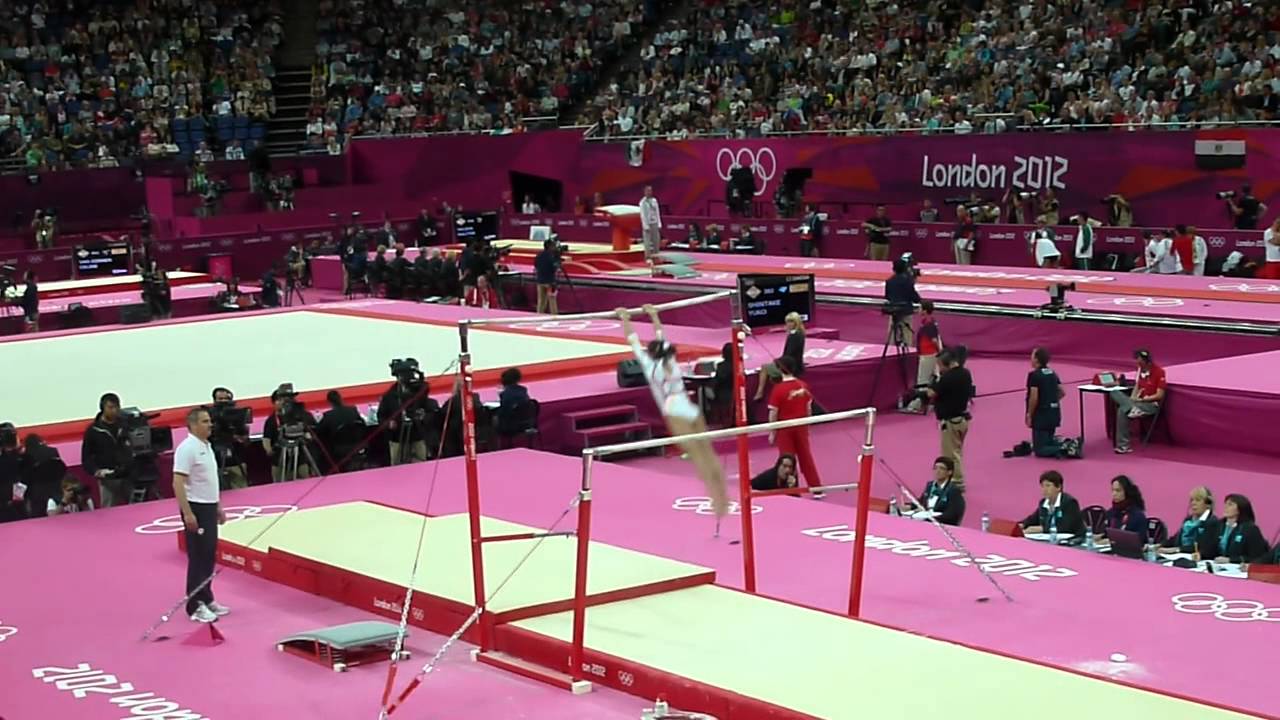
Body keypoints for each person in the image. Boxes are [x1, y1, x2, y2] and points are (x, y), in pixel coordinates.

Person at [617, 304, 729, 520]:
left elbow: (633, 339)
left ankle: (715, 495)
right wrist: (653, 314)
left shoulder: (651, 365)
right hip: (682, 403)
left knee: (699, 452)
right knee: (703, 448)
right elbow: (659, 334)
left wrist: (625, 318)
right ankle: (717, 491)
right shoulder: (670, 360)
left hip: (674, 404)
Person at [173, 407, 229, 624]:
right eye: (205, 421)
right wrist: (187, 513)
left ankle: (207, 597)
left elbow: (209, 481)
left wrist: (218, 506)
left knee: (208, 555)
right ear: (193, 425)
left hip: (208, 506)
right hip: (195, 507)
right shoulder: (187, 448)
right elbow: (177, 482)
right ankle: (194, 605)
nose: (210, 424)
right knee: (198, 558)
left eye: (210, 421)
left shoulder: (206, 446)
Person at [767, 356, 822, 493]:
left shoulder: (778, 390)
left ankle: (792, 490)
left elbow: (773, 414)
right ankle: (817, 488)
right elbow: (809, 408)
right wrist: (806, 425)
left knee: (787, 460)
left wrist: (772, 432)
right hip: (801, 425)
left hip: (785, 429)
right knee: (806, 457)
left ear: (780, 370)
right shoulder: (803, 385)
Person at [926, 348, 974, 486]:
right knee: (956, 451)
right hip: (962, 419)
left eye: (940, 365)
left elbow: (931, 393)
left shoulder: (948, 378)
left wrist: (935, 378)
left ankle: (957, 484)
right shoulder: (965, 373)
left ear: (946, 363)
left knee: (951, 455)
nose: (939, 368)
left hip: (951, 421)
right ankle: (954, 481)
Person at [81, 392, 134, 507]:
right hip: (108, 478)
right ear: (102, 408)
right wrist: (96, 471)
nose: (114, 410)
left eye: (116, 407)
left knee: (136, 506)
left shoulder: (125, 425)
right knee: (109, 510)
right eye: (110, 407)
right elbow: (86, 457)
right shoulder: (94, 430)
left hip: (127, 474)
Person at [1110, 349, 1166, 454]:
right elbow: (1137, 386)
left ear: (1147, 361)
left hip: (1150, 404)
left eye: (1140, 362)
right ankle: (1132, 408)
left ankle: (1123, 446)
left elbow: (1160, 395)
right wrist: (1132, 399)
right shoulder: (1140, 371)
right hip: (1137, 403)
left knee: (1122, 410)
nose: (1138, 364)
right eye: (1137, 361)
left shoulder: (1159, 372)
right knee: (1114, 392)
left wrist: (1144, 399)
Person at [753, 312, 806, 402]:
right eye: (787, 322)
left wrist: (777, 362)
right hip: (791, 362)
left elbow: (789, 354)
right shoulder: (798, 334)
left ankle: (760, 392)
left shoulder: (795, 336)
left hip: (791, 366)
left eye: (791, 322)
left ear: (796, 323)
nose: (788, 324)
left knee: (764, 368)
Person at [1159, 486, 1221, 558]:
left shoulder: (1212, 522)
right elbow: (1175, 538)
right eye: (1192, 500)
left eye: (1197, 500)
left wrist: (1177, 549)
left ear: (1207, 504)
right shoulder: (1188, 520)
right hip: (1179, 556)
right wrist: (1159, 545)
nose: (1193, 503)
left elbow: (1203, 547)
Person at [1020, 470, 1085, 538]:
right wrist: (1022, 525)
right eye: (1042, 486)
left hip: (1073, 540)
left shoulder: (1069, 503)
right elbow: (1033, 519)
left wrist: (1042, 529)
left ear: (1059, 487)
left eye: (1048, 486)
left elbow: (1065, 527)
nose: (1044, 489)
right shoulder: (1043, 503)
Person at [1026, 347, 1064, 458]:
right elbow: (1062, 392)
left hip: (1041, 415)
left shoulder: (1034, 375)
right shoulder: (1052, 373)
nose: (1030, 359)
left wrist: (1029, 414)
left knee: (1039, 449)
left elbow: (1034, 397)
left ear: (1037, 359)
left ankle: (1065, 449)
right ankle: (1062, 446)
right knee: (1048, 441)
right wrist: (1052, 400)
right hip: (1054, 413)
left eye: (1032, 356)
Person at [209, 387, 250, 490]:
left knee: (241, 490)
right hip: (217, 461)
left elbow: (245, 438)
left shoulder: (238, 415)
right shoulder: (209, 416)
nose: (223, 401)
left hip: (237, 460)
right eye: (220, 399)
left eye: (226, 399)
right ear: (214, 400)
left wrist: (238, 436)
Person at [905, 301, 942, 413]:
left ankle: (919, 404)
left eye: (920, 308)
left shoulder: (928, 323)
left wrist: (940, 353)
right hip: (929, 354)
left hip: (928, 355)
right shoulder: (929, 321)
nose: (918, 310)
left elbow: (935, 340)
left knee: (923, 379)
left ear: (925, 311)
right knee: (932, 378)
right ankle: (929, 402)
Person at [906, 456, 966, 526]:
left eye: (942, 468)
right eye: (935, 468)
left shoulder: (953, 491)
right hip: (926, 519)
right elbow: (922, 501)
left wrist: (930, 519)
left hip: (942, 524)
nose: (938, 471)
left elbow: (952, 514)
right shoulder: (930, 486)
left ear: (949, 472)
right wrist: (910, 506)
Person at [317, 390, 366, 473]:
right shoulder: (353, 410)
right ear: (340, 398)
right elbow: (363, 425)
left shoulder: (329, 416)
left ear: (329, 402)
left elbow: (319, 431)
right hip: (358, 445)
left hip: (340, 449)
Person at [1214, 494, 1270, 564]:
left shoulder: (1250, 529)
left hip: (1240, 570)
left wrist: (1230, 560)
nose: (1225, 507)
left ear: (1240, 509)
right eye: (1225, 504)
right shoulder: (1219, 525)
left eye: (1230, 504)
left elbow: (1257, 557)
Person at [884, 255, 922, 347]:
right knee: (906, 333)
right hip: (906, 311)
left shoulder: (889, 281)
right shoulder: (908, 281)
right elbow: (914, 297)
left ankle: (891, 349)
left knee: (892, 333)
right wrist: (919, 300)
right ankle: (907, 348)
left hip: (893, 311)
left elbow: (887, 296)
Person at [496, 367, 535, 438]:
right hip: (528, 424)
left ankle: (496, 446)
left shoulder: (506, 394)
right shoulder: (523, 390)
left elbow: (504, 412)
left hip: (513, 427)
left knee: (494, 420)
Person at [534, 239, 560, 315]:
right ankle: (554, 317)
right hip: (550, 282)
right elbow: (554, 268)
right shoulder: (551, 256)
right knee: (552, 300)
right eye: (553, 245)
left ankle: (538, 316)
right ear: (549, 246)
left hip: (540, 281)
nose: (555, 247)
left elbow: (535, 265)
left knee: (541, 301)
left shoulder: (539, 255)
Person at [639, 185, 662, 260]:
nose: (649, 192)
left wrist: (659, 223)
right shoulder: (642, 202)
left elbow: (657, 212)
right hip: (647, 224)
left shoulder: (654, 200)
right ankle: (648, 257)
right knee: (647, 242)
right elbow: (642, 215)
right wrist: (645, 226)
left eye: (650, 190)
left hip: (654, 222)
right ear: (644, 192)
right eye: (648, 191)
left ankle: (656, 256)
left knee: (656, 240)